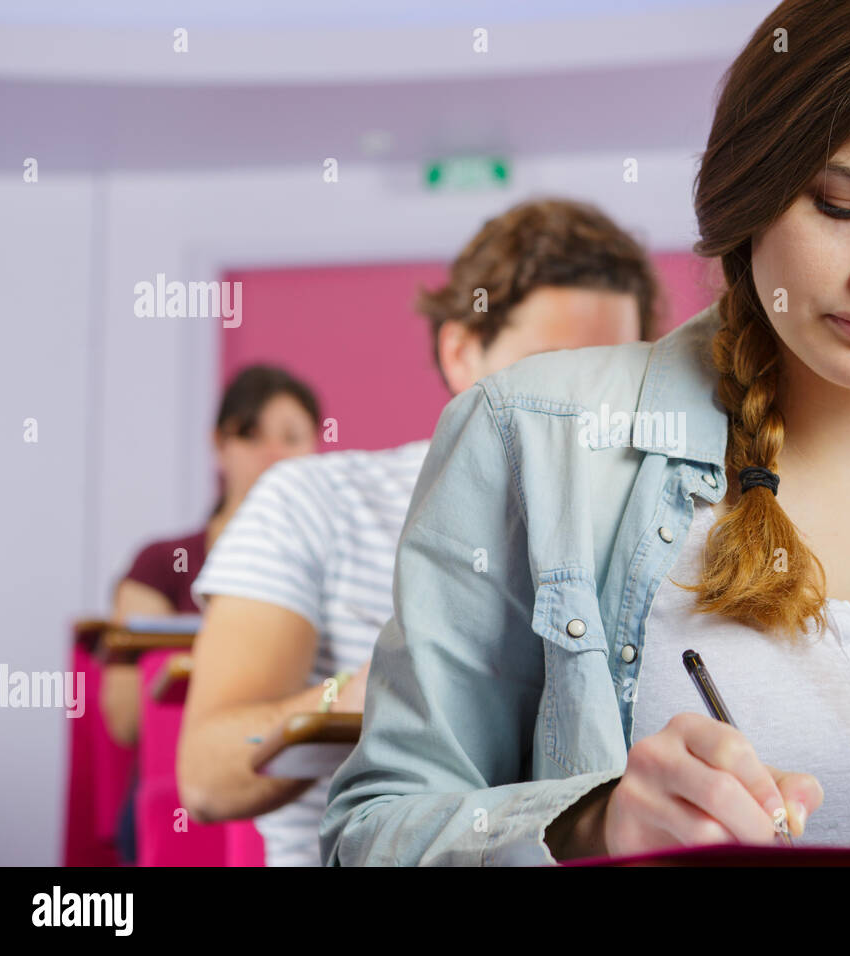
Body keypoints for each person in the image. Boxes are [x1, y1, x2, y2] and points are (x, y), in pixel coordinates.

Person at [320, 0, 850, 867]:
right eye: (843, 206)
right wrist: (591, 825)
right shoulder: (535, 438)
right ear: (752, 185)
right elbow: (368, 833)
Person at [177, 198, 662, 866]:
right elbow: (206, 777)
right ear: (461, 351)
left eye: (613, 379)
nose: (583, 416)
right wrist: (366, 693)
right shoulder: (316, 500)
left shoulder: (654, 533)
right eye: (550, 371)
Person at [101, 364, 321, 863]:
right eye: (249, 435)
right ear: (218, 445)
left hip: (298, 792)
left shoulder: (337, 570)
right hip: (180, 791)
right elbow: (125, 719)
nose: (272, 454)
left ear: (317, 447)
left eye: (291, 436)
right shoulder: (159, 563)